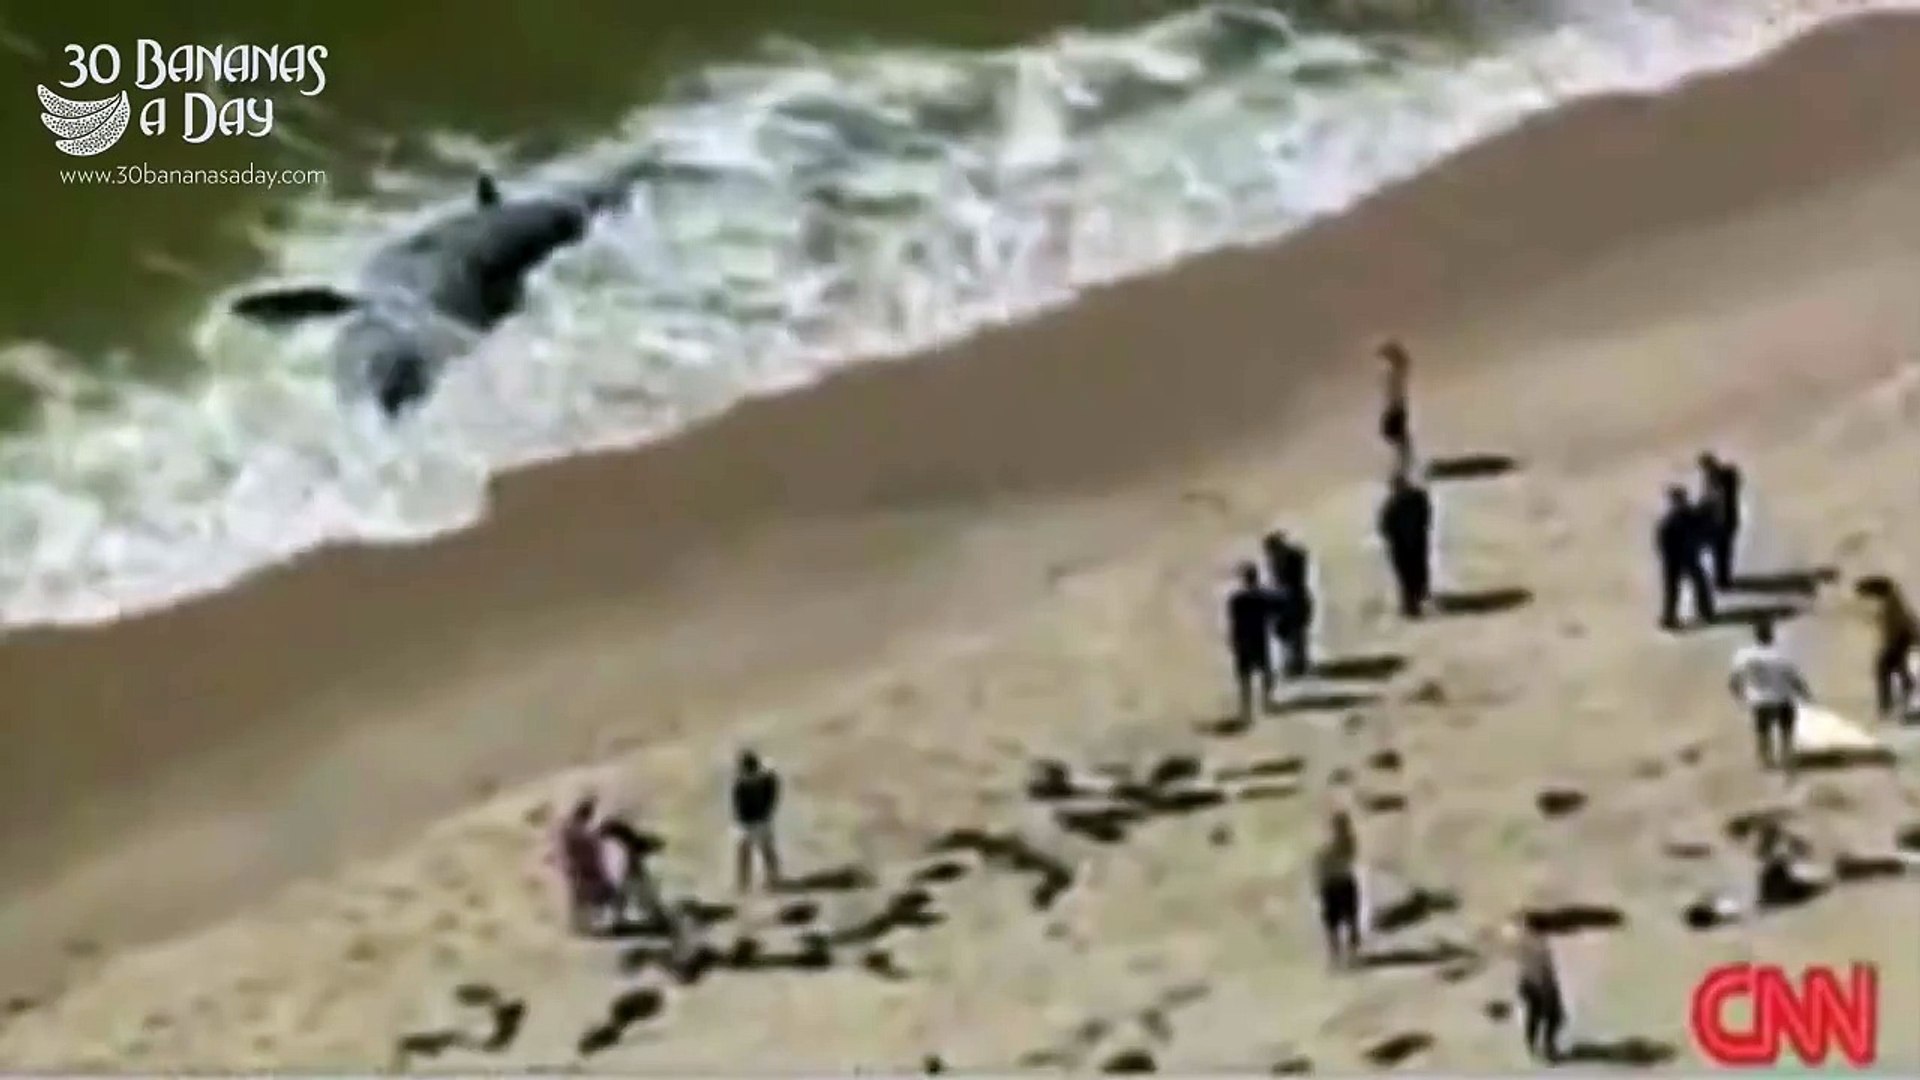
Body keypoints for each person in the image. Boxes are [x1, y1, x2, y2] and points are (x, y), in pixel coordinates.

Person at [1727, 617, 1809, 775]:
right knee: (1786, 729)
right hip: (1781, 699)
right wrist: (1804, 693)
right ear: (1771, 635)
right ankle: (1786, 755)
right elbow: (1793, 677)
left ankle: (1766, 759)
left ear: (1755, 635)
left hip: (1759, 701)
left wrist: (1740, 697)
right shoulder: (1781, 654)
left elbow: (1734, 680)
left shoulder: (1744, 655)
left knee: (1763, 731)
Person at [598, 814, 681, 943]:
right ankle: (658, 920)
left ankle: (657, 920)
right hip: (632, 873)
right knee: (637, 897)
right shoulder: (630, 840)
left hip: (630, 873)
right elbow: (634, 854)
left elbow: (629, 856)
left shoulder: (625, 841)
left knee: (632, 898)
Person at [1655, 485, 1716, 630]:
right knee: (1695, 584)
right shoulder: (1681, 518)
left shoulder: (1670, 521)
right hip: (1684, 558)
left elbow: (1662, 543)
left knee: (1675, 589)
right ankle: (1704, 612)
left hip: (1678, 559)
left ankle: (1670, 617)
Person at [1858, 576, 1918, 721]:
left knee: (1883, 669)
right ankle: (1902, 693)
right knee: (1895, 668)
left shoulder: (1892, 603)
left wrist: (1893, 643)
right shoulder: (1891, 601)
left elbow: (1899, 626)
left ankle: (1887, 704)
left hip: (1900, 639)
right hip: (1901, 639)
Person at [1226, 562, 1280, 723]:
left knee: (1245, 678)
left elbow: (1233, 622)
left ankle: (1246, 710)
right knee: (1266, 672)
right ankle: (1267, 700)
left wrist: (1234, 640)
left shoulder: (1237, 599)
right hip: (1260, 639)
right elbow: (1276, 610)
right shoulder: (1263, 596)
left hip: (1243, 640)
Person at [554, 796, 616, 935]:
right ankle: (585, 926)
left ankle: (579, 926)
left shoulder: (569, 827)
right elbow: (588, 846)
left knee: (580, 897)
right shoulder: (576, 829)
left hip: (577, 867)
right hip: (584, 868)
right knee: (588, 897)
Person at [1376, 470, 1434, 619]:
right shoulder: (1418, 498)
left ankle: (1411, 603)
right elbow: (1427, 515)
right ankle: (1418, 597)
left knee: (1407, 576)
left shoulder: (1393, 504)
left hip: (1402, 547)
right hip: (1416, 543)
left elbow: (1384, 526)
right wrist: (1423, 530)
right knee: (1417, 571)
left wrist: (1391, 540)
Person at [1312, 810, 1363, 967]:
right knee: (1336, 924)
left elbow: (1346, 855)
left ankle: (1348, 955)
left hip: (1340, 882)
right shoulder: (1333, 843)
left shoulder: (1347, 842)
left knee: (1349, 921)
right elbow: (1320, 864)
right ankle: (1339, 956)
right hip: (1333, 884)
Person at [1512, 917, 1567, 1062]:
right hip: (1538, 984)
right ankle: (1546, 1048)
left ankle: (1537, 1048)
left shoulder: (1527, 941)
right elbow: (1541, 967)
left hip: (1531, 983)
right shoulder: (1535, 944)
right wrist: (1547, 986)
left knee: (1538, 1016)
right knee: (1553, 1017)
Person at [1262, 530, 1314, 679]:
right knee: (1297, 634)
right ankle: (1298, 663)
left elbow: (1280, 582)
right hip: (1296, 597)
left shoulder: (1280, 560)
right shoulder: (1293, 556)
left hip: (1288, 599)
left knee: (1291, 634)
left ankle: (1295, 664)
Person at [732, 750, 784, 892]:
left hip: (759, 818)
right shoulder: (742, 782)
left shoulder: (764, 779)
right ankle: (745, 882)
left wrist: (766, 812)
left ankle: (772, 879)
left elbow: (773, 794)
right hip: (749, 820)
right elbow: (738, 806)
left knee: (764, 850)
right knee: (749, 851)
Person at [1697, 453, 1743, 589]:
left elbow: (1713, 500)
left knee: (1721, 551)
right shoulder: (1719, 478)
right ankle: (1722, 578)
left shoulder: (1720, 479)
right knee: (1722, 551)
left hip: (1722, 521)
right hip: (1724, 521)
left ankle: (1722, 580)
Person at [1378, 340, 1414, 475]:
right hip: (1396, 411)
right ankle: (1402, 471)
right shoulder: (1393, 377)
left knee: (1403, 447)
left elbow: (1395, 395)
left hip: (1396, 411)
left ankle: (1402, 471)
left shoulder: (1394, 377)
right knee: (1403, 447)